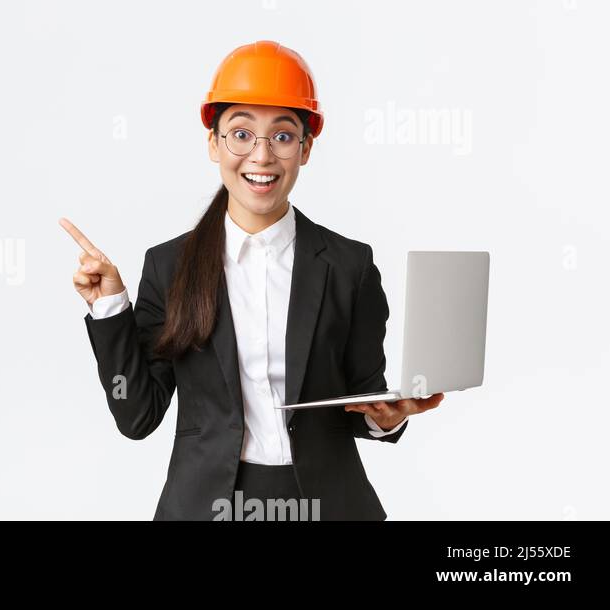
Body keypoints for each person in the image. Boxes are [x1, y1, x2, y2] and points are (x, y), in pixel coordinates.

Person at [60, 41, 443, 520]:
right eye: (241, 133)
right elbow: (136, 416)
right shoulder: (169, 267)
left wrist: (386, 420)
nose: (261, 156)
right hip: (210, 506)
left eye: (282, 137)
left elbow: (364, 395)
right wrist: (110, 307)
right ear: (214, 143)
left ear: (305, 148)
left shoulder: (350, 267)